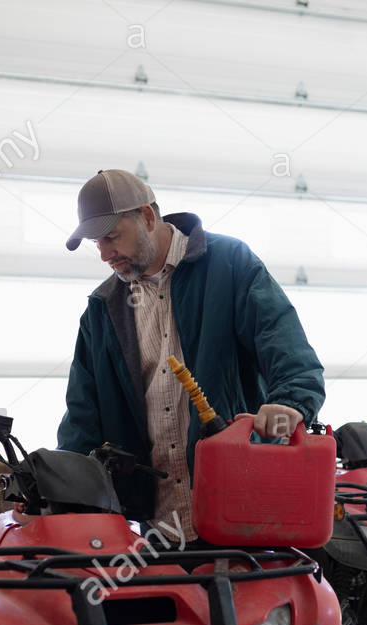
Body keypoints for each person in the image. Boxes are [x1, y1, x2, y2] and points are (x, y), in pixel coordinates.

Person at [55, 169, 324, 542]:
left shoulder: (230, 265)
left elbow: (287, 348)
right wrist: (62, 487)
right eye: (95, 243)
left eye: (111, 237)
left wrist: (290, 402)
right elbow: (82, 419)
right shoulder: (103, 310)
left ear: (148, 217)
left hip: (241, 509)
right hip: (157, 528)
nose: (103, 254)